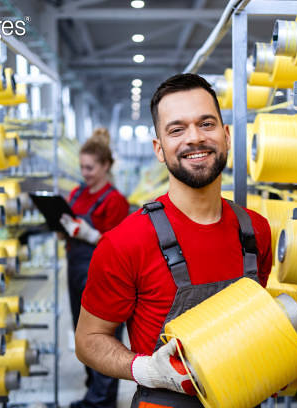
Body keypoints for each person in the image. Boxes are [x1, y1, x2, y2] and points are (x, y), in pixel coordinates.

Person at [74, 74, 272, 407]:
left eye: (206, 124)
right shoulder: (126, 242)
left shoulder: (255, 231)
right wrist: (145, 368)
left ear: (226, 136)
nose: (195, 138)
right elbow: (88, 340)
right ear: (160, 150)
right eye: (176, 130)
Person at [60, 134, 130, 408]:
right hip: (76, 268)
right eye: (82, 167)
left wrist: (90, 234)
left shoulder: (116, 202)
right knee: (83, 334)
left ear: (105, 166)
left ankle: (103, 400)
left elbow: (120, 246)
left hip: (103, 274)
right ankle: (93, 394)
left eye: (89, 167)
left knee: (103, 335)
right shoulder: (77, 193)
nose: (84, 173)